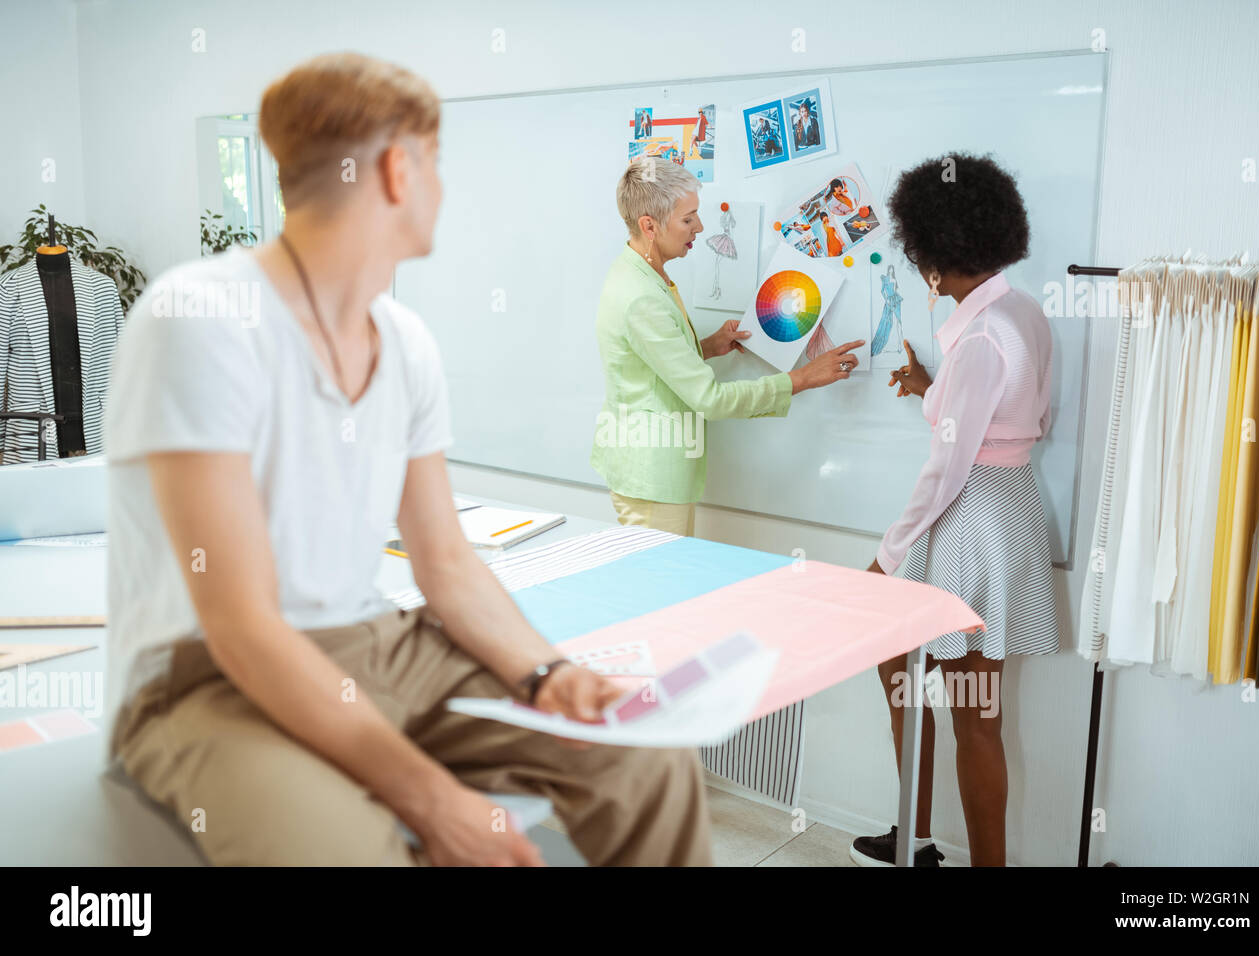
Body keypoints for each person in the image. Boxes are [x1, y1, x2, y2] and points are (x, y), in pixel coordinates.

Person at [104, 52, 713, 867]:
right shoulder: (199, 320)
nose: (441, 189)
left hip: (375, 642)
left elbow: (447, 562)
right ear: (397, 170)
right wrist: (432, 799)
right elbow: (242, 625)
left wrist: (545, 674)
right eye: (434, 164)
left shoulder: (405, 343)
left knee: (644, 757)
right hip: (208, 680)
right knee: (347, 850)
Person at [852, 153, 1059, 868]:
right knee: (920, 675)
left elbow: (948, 466)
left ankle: (952, 854)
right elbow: (1016, 418)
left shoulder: (976, 337)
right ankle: (915, 840)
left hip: (970, 522)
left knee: (974, 716)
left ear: (934, 256)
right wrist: (930, 389)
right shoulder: (1022, 312)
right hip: (1010, 514)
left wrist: (884, 557)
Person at [591, 156, 862, 535]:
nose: (700, 227)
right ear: (649, 226)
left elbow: (650, 360)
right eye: (688, 219)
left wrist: (705, 346)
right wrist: (800, 379)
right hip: (650, 477)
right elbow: (711, 399)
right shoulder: (641, 296)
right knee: (663, 589)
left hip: (653, 474)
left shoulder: (639, 271)